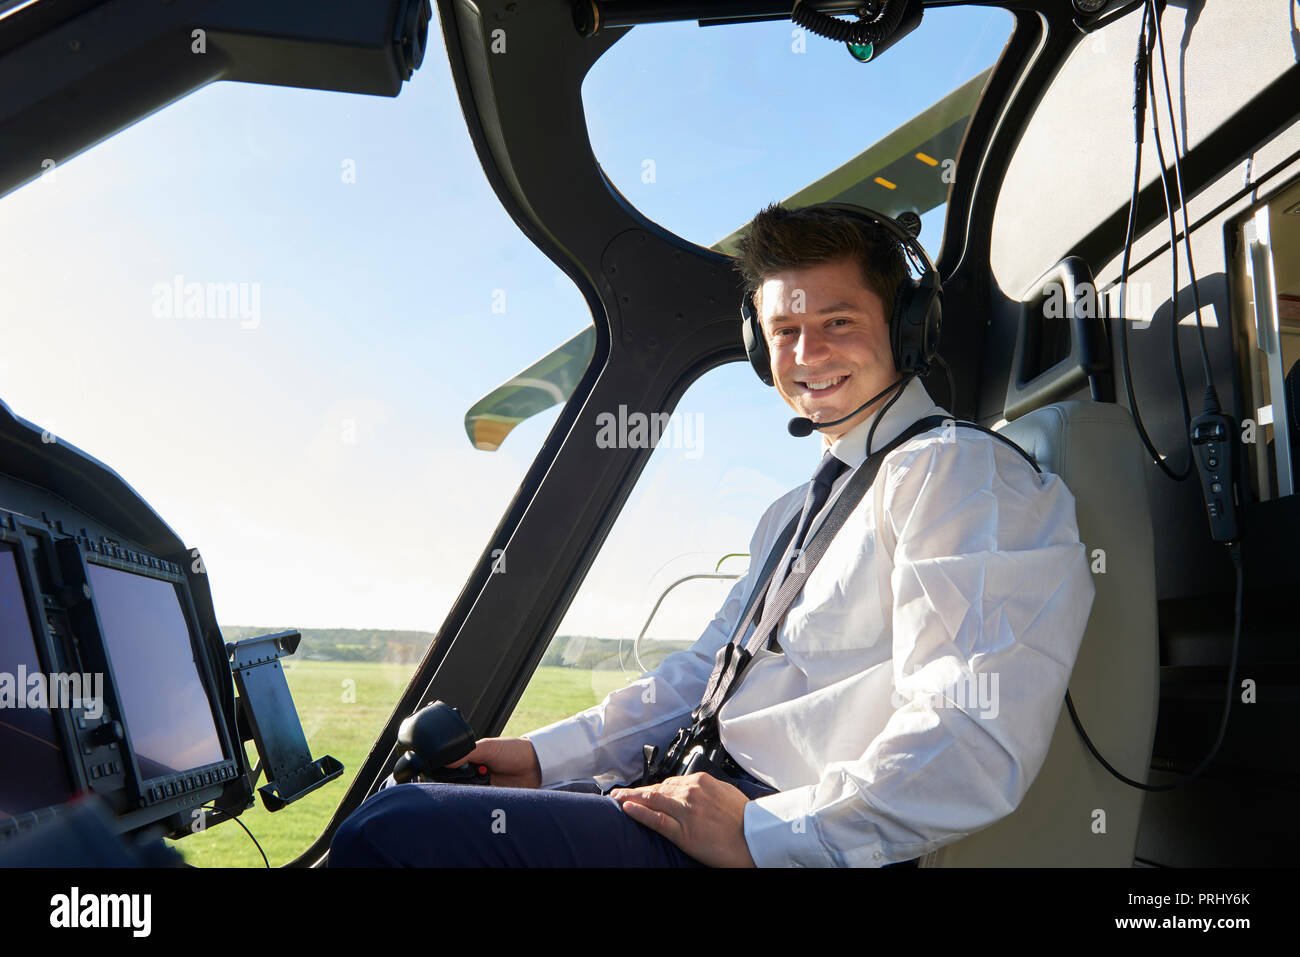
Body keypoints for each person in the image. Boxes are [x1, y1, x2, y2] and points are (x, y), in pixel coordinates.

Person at [328, 203, 1096, 868]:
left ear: (906, 328)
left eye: (838, 323)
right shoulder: (795, 511)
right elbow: (700, 679)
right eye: (784, 331)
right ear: (760, 349)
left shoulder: (960, 476)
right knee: (420, 802)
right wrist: (542, 758)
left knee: (402, 833)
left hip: (782, 843)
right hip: (705, 805)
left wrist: (760, 832)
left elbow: (970, 735)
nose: (807, 355)